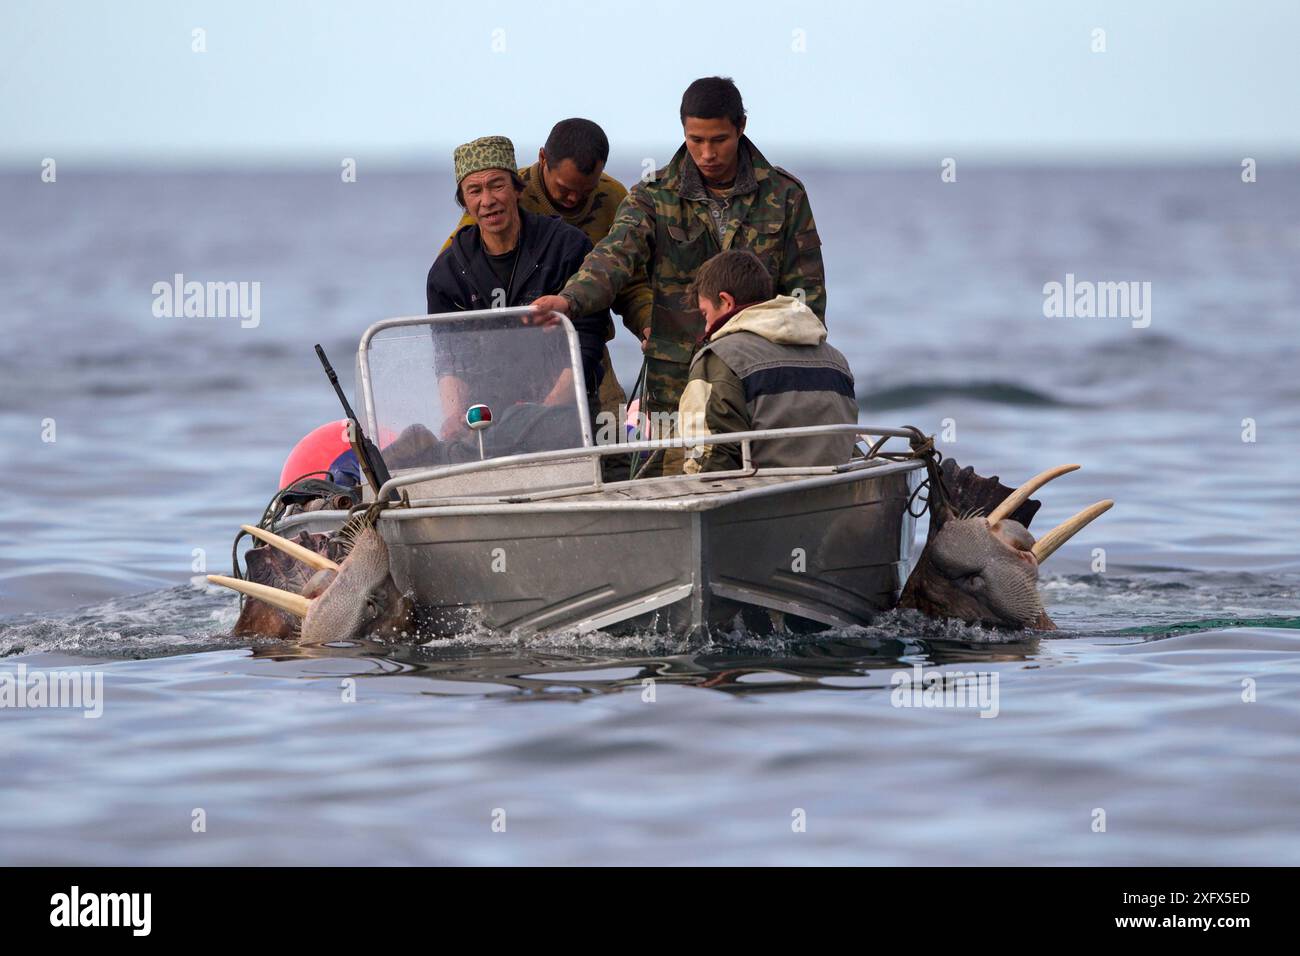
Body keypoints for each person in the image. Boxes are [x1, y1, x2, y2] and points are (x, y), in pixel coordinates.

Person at [530, 77, 826, 472]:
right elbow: (615, 257)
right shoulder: (653, 196)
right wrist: (569, 300)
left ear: (741, 126)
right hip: (678, 389)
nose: (707, 153)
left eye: (718, 139)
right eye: (695, 139)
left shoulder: (787, 196)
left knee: (767, 480)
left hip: (763, 383)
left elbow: (807, 300)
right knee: (677, 485)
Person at [440, 119, 652, 424]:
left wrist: (647, 324)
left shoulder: (613, 197)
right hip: (511, 354)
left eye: (585, 191)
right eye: (565, 190)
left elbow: (630, 280)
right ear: (543, 160)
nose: (574, 199)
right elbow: (455, 271)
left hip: (579, 338)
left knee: (610, 434)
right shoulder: (506, 195)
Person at [426, 135, 611, 440]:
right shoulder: (448, 272)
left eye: (497, 185)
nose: (487, 200)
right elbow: (449, 358)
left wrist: (539, 414)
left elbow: (587, 341)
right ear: (465, 201)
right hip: (486, 418)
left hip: (564, 411)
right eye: (475, 190)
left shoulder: (566, 246)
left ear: (516, 188)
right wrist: (455, 417)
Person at [676, 251, 856, 474]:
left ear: (726, 301)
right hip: (837, 496)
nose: (706, 328)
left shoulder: (719, 358)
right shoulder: (836, 360)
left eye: (705, 314)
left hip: (763, 503)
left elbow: (709, 460)